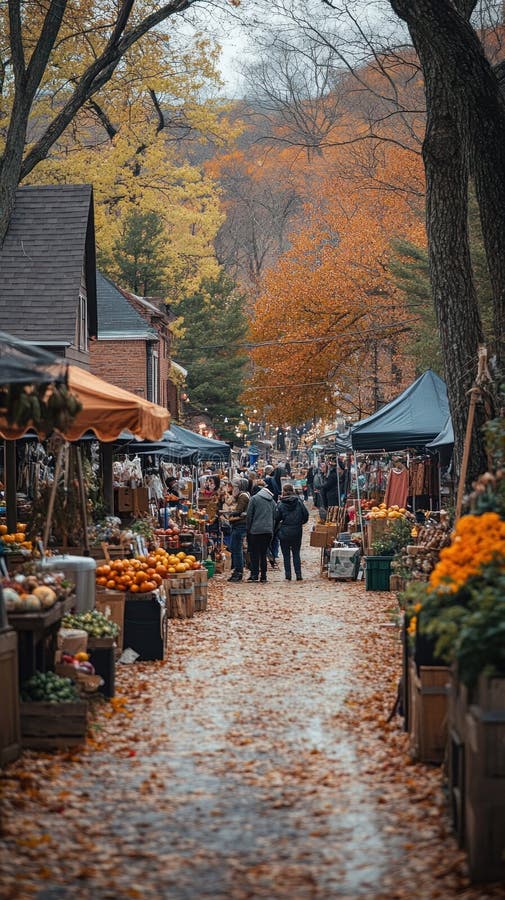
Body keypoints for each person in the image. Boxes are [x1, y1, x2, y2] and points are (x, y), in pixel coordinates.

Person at [275, 483, 309, 581]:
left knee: (286, 555)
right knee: (296, 553)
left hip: (284, 531)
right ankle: (298, 574)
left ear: (284, 491)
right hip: (297, 530)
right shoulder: (299, 502)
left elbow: (276, 518)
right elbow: (305, 515)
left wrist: (280, 526)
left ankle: (288, 575)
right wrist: (300, 523)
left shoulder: (281, 504)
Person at [246, 483, 276, 583]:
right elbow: (274, 515)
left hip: (256, 530)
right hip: (268, 530)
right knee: (263, 553)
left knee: (254, 553)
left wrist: (248, 528)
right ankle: (263, 575)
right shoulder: (271, 500)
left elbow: (249, 515)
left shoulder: (254, 499)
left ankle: (254, 575)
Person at [227, 477, 250, 582]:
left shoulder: (243, 496)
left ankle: (238, 571)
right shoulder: (242, 496)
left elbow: (239, 510)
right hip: (239, 524)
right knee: (235, 548)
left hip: (240, 525)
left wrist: (230, 512)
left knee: (236, 548)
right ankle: (237, 570)